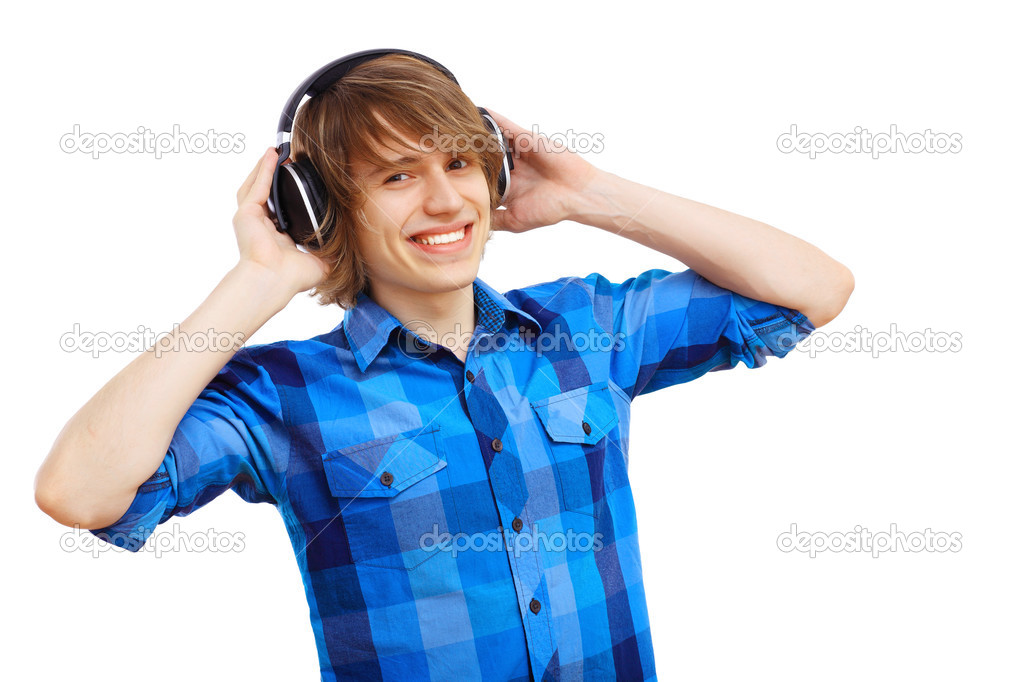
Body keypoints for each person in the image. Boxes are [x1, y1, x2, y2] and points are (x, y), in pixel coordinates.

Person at [35, 51, 853, 681]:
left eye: (459, 164)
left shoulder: (586, 328)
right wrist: (258, 280)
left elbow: (814, 288)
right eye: (397, 176)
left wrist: (589, 194)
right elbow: (79, 492)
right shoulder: (282, 396)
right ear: (320, 209)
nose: (445, 201)